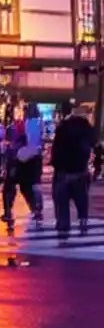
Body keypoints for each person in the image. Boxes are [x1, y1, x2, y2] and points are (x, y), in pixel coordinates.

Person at [50, 101, 95, 241]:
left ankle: (63, 229)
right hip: (80, 169)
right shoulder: (84, 125)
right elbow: (93, 142)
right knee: (81, 200)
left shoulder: (62, 127)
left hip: (63, 171)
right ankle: (82, 222)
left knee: (62, 202)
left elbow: (55, 150)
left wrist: (56, 165)